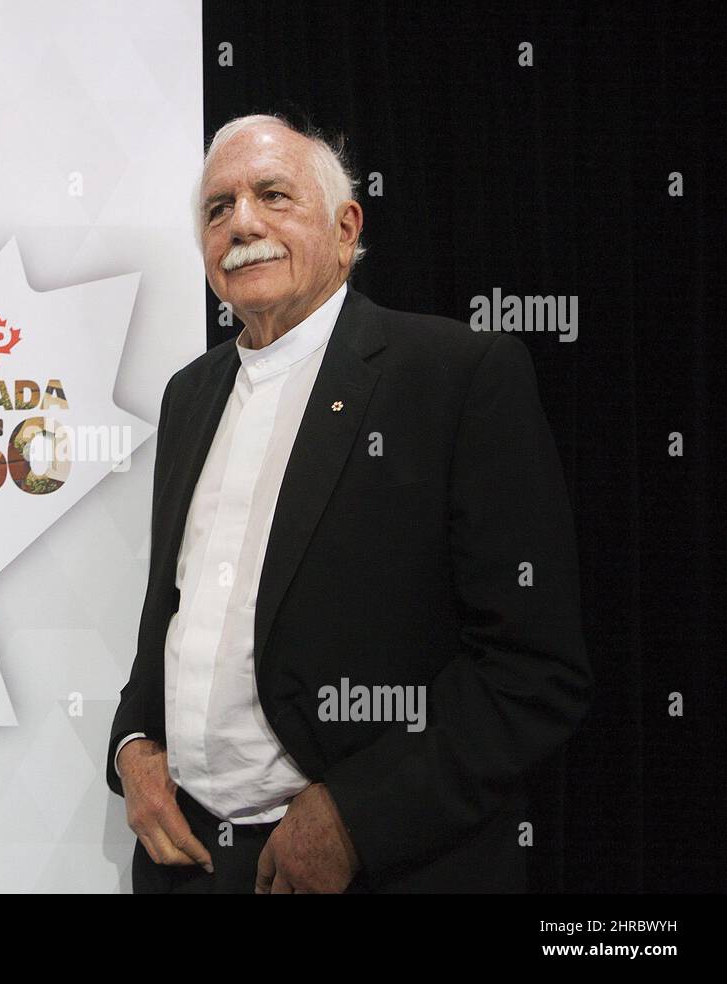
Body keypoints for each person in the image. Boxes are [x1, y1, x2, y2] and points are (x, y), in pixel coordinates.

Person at [108, 113, 592, 893]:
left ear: (345, 229)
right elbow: (175, 608)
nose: (244, 224)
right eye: (218, 207)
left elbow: (533, 671)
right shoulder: (188, 395)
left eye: (272, 195)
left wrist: (357, 819)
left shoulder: (456, 377)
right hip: (191, 864)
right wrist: (133, 744)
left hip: (378, 866)